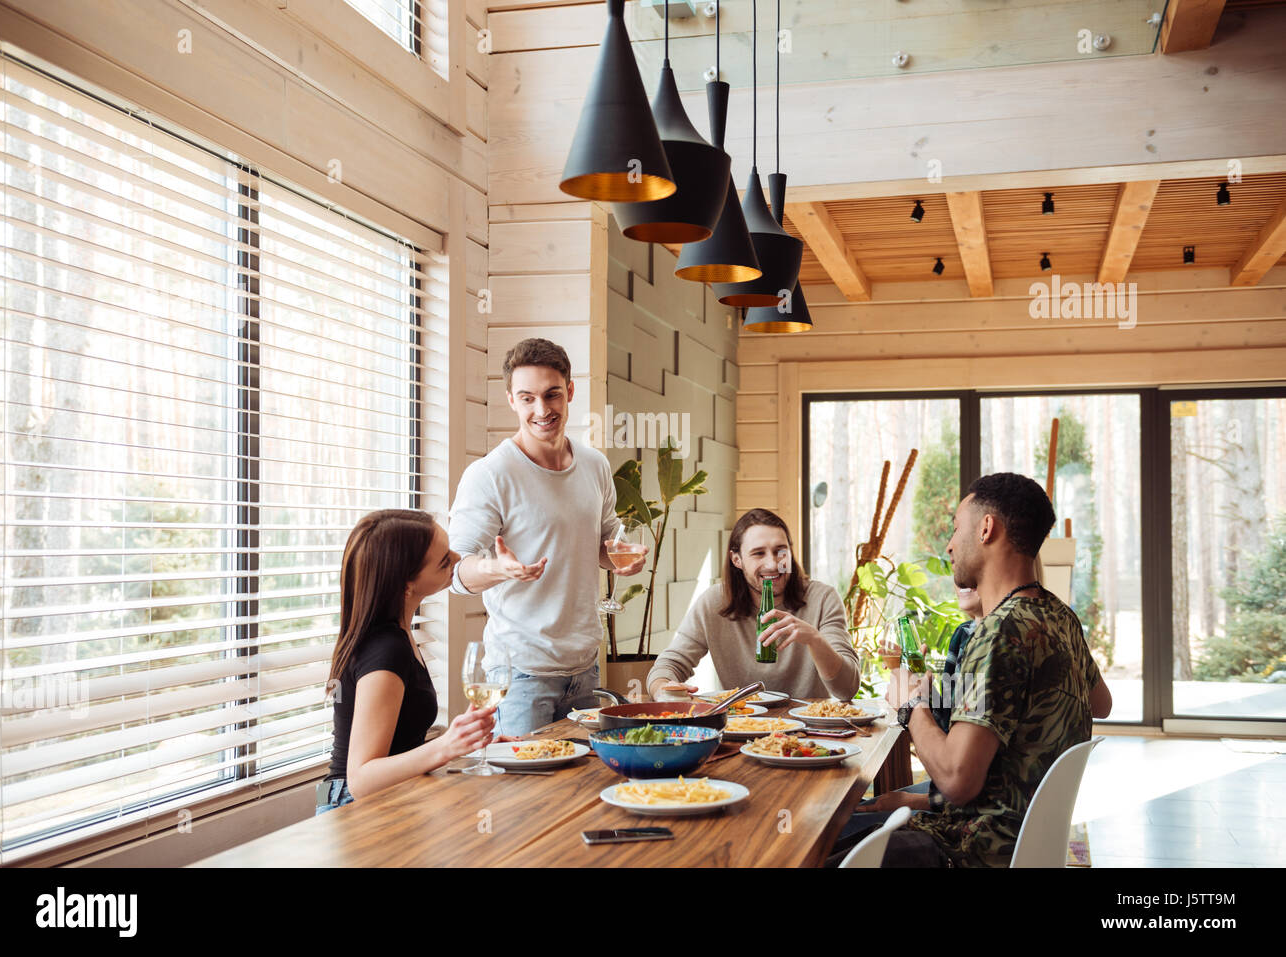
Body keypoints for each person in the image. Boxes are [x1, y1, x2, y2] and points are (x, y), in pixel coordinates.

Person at [833, 472, 1100, 866]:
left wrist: (912, 703)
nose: (950, 544)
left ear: (986, 528)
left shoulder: (997, 632)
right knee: (847, 826)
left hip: (968, 849)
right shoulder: (1059, 615)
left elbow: (957, 782)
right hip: (1024, 840)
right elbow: (1102, 700)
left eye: (957, 528)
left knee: (814, 844)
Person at [446, 338, 647, 735]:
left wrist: (622, 558)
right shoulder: (490, 475)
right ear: (511, 400)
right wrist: (498, 569)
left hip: (586, 668)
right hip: (520, 674)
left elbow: (604, 546)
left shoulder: (594, 465)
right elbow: (454, 572)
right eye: (527, 398)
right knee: (524, 796)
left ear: (569, 391)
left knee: (583, 790)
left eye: (552, 395)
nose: (542, 410)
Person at [316, 510, 499, 815]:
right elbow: (361, 778)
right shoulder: (386, 651)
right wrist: (446, 746)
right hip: (350, 809)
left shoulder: (397, 634)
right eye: (444, 560)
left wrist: (467, 742)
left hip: (376, 799)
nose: (457, 559)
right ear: (406, 585)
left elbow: (399, 742)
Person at [646, 508, 860, 701]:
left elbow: (847, 689)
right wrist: (664, 689)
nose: (772, 563)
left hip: (809, 734)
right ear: (736, 559)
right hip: (740, 728)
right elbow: (668, 665)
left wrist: (815, 639)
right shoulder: (713, 602)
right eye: (759, 553)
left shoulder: (823, 598)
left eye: (780, 551)